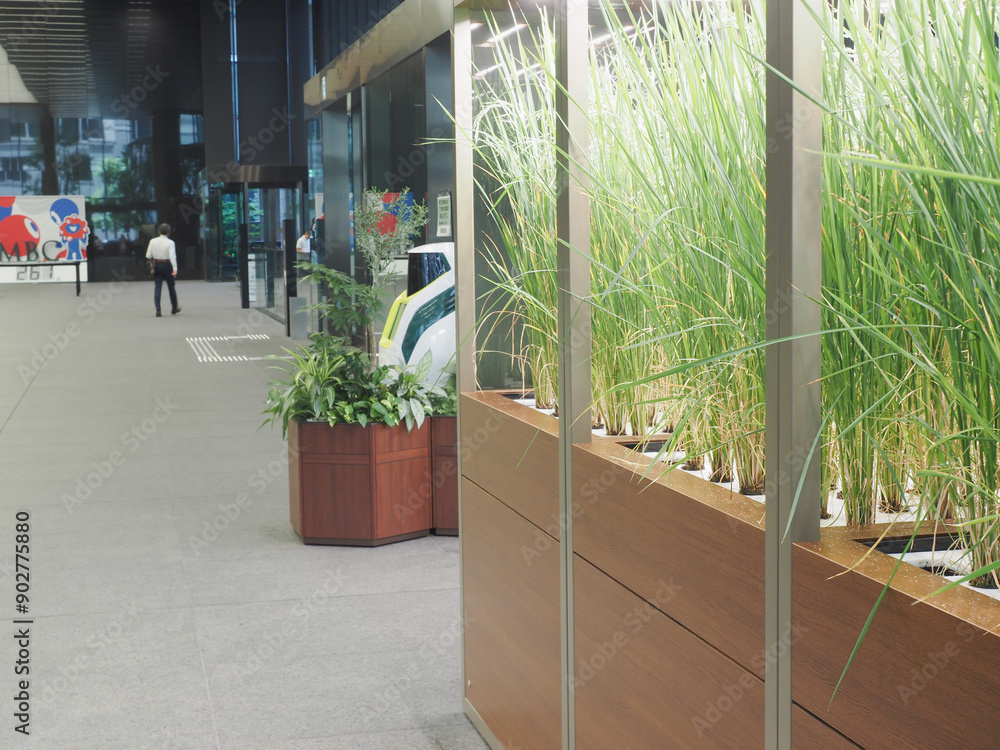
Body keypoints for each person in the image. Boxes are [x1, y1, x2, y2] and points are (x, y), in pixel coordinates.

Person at [145, 223, 181, 317]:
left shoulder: (152, 241)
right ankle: (174, 308)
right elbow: (172, 256)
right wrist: (175, 268)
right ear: (169, 232)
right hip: (167, 265)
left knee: (158, 287)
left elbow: (148, 255)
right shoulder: (170, 243)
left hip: (157, 265)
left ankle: (158, 310)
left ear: (159, 231)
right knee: (171, 287)